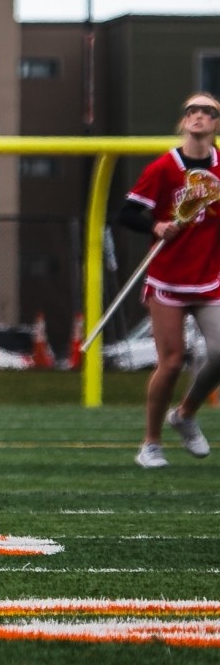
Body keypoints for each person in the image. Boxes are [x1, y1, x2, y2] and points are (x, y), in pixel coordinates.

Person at [118, 91, 220, 469]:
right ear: (183, 120)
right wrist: (157, 224)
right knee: (173, 361)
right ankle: (151, 443)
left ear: (215, 123)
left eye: (207, 111)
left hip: (209, 279)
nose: (198, 116)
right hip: (167, 280)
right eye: (192, 110)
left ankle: (185, 414)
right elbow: (127, 215)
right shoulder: (163, 168)